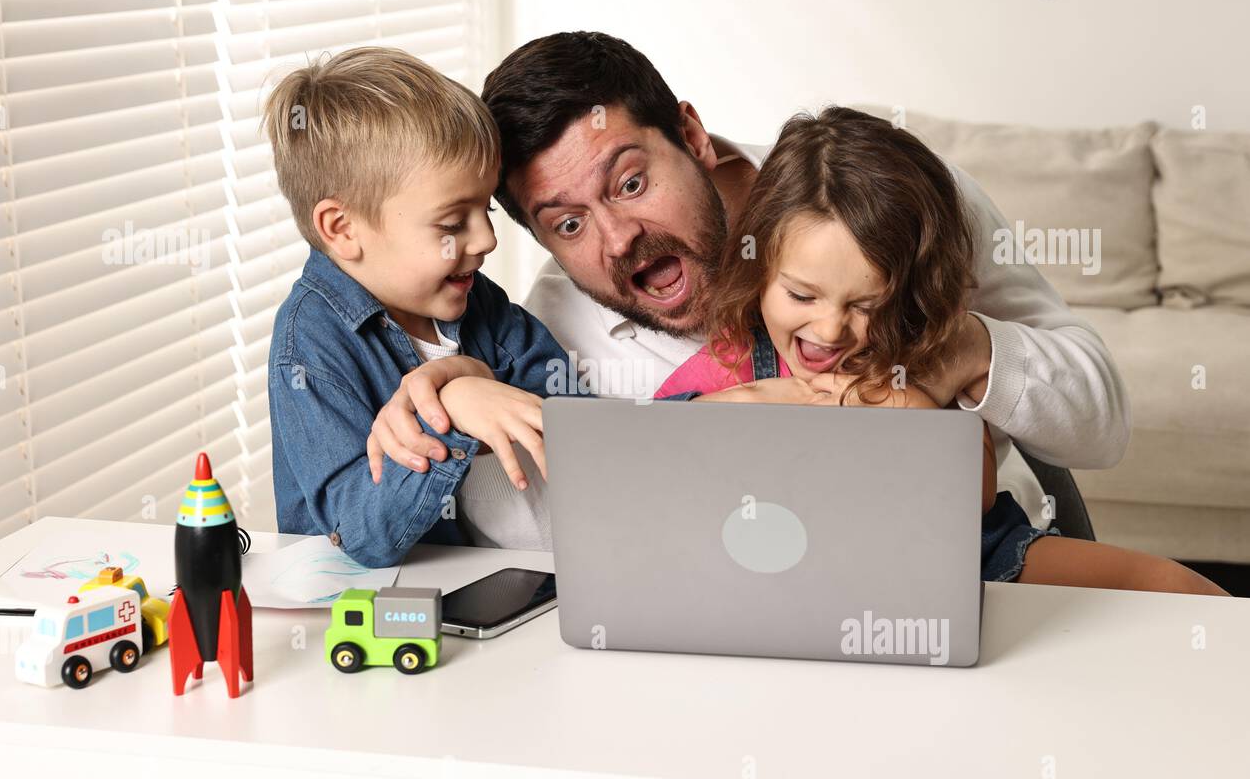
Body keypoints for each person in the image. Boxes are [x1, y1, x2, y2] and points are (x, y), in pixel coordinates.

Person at [366, 31, 1131, 533]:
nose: (618, 237)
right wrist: (453, 390)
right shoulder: (555, 330)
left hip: (999, 563)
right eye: (567, 224)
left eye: (630, 182)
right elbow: (527, 524)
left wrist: (958, 350)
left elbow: (1102, 426)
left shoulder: (888, 199)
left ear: (692, 136)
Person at [658, 106, 1225, 595]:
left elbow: (969, 501)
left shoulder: (919, 352)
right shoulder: (728, 361)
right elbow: (660, 456)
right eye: (802, 295)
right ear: (760, 271)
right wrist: (779, 401)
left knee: (1175, 589)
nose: (830, 331)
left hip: (965, 558)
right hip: (792, 574)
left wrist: (895, 407)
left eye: (867, 304)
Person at [265, 47, 571, 568]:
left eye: (487, 209)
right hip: (387, 612)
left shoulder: (479, 300)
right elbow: (359, 531)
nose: (487, 239)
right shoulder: (310, 345)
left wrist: (471, 379)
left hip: (509, 589)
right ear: (343, 229)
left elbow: (573, 416)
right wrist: (448, 412)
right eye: (453, 223)